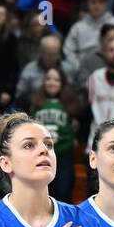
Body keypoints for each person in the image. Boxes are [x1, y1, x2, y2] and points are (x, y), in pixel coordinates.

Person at [31, 66, 79, 202]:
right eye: (48, 79)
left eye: (56, 80)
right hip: (40, 159)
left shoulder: (70, 105)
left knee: (63, 198)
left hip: (63, 159)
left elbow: (76, 129)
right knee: (42, 200)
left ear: (62, 83)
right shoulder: (35, 103)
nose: (51, 82)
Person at [63, 0, 114, 77]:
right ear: (87, 4)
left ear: (106, 4)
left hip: (108, 65)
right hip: (82, 67)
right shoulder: (78, 26)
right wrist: (78, 66)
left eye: (100, 2)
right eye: (93, 2)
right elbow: (68, 50)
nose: (96, 6)